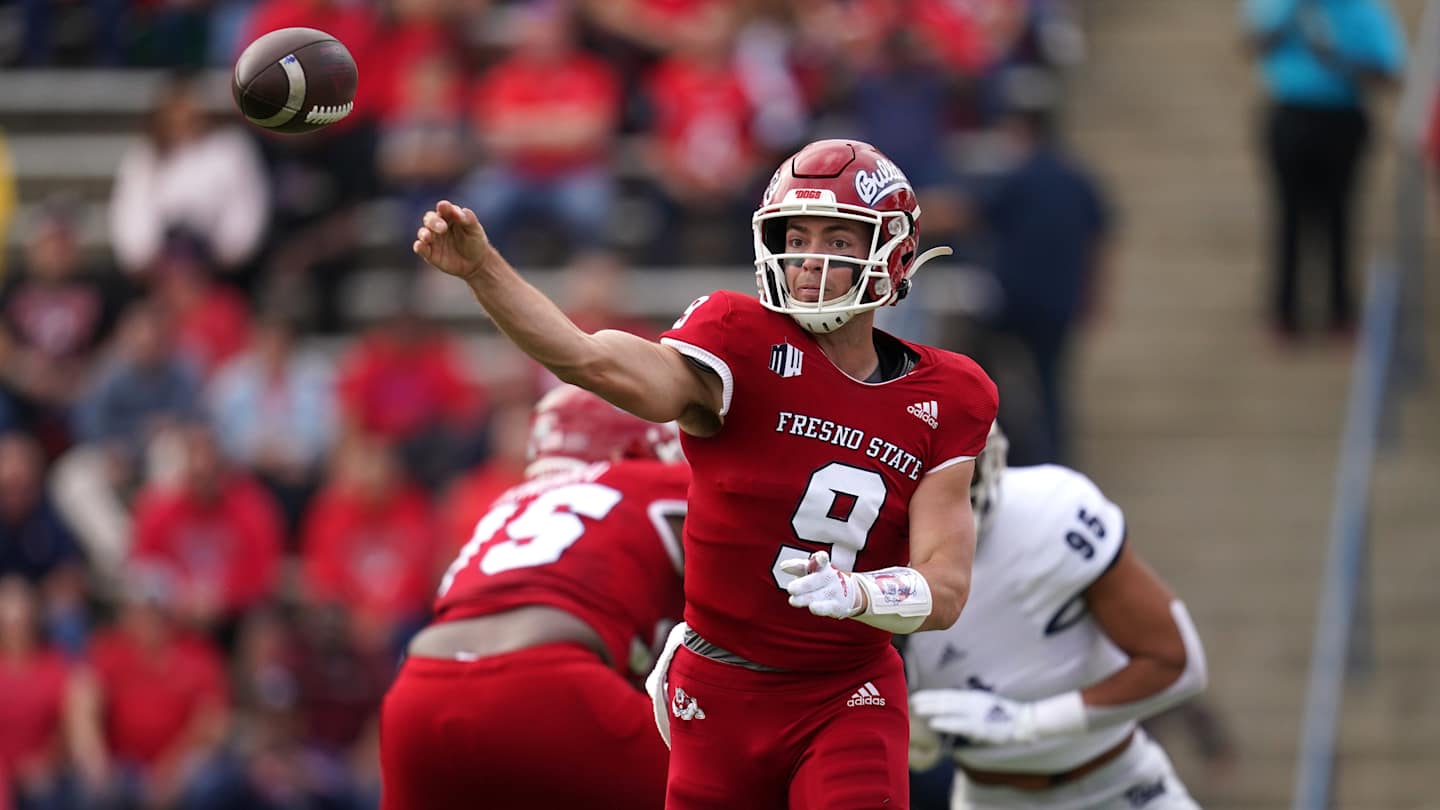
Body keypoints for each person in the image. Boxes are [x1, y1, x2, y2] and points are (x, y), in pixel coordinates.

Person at [413, 138, 999, 809]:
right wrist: (483, 270)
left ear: (892, 253)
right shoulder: (738, 340)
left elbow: (945, 586)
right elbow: (589, 360)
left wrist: (861, 594)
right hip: (716, 691)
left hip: (847, 688)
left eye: (837, 237)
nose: (808, 259)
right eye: (794, 235)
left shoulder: (949, 394)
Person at [379, 385, 690, 810]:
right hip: (543, 687)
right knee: (722, 787)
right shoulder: (649, 481)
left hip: (416, 694)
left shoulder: (507, 502)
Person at [905, 424, 1208, 809]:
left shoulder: (1050, 511)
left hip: (1117, 783)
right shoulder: (859, 561)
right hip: (987, 798)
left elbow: (1178, 663)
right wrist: (898, 729)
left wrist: (1029, 723)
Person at [1243, 0, 1406, 341]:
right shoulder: (1276, 4)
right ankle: (1283, 312)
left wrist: (1339, 58)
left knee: (1340, 214)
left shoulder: (1364, 10)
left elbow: (1389, 71)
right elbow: (1251, 44)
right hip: (1289, 113)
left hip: (1342, 116)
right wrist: (1287, 20)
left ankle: (1341, 313)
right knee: (1288, 214)